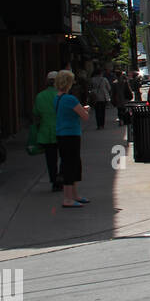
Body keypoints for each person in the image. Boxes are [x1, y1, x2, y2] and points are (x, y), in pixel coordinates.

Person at [54, 70, 91, 208]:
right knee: (71, 165)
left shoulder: (57, 98)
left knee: (71, 163)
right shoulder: (70, 99)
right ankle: (68, 198)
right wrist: (86, 109)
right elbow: (85, 116)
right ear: (68, 83)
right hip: (71, 135)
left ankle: (74, 195)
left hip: (62, 134)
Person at [33, 71, 62, 192]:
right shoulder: (62, 95)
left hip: (46, 132)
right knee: (65, 156)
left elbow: (36, 114)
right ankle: (61, 177)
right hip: (62, 130)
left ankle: (54, 180)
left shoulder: (40, 96)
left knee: (51, 159)